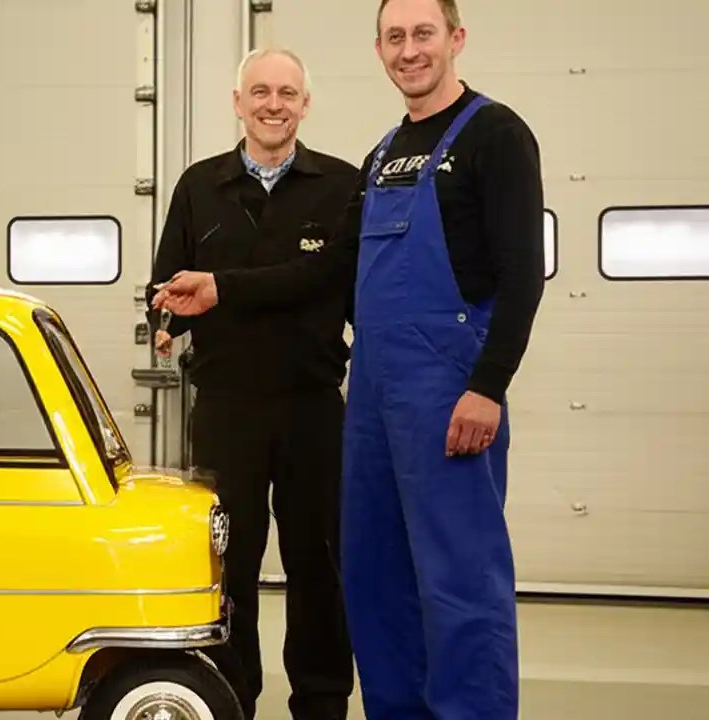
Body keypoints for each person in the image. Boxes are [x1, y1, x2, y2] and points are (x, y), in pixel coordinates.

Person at [152, 1, 545, 718]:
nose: (409, 50)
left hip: (447, 391)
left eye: (423, 34)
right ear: (379, 49)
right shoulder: (385, 153)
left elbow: (523, 272)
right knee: (374, 573)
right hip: (371, 398)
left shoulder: (495, 135)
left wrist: (488, 385)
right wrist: (217, 292)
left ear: (455, 39)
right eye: (395, 37)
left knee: (458, 576)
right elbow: (330, 268)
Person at [145, 47, 357, 720]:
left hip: (312, 410)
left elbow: (331, 282)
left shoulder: (343, 188)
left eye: (287, 93)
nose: (273, 103)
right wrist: (165, 320)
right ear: (237, 103)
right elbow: (164, 282)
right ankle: (231, 697)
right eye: (260, 91)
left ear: (305, 104)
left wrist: (220, 292)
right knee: (227, 567)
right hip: (226, 408)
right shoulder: (198, 186)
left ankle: (321, 703)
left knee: (318, 564)